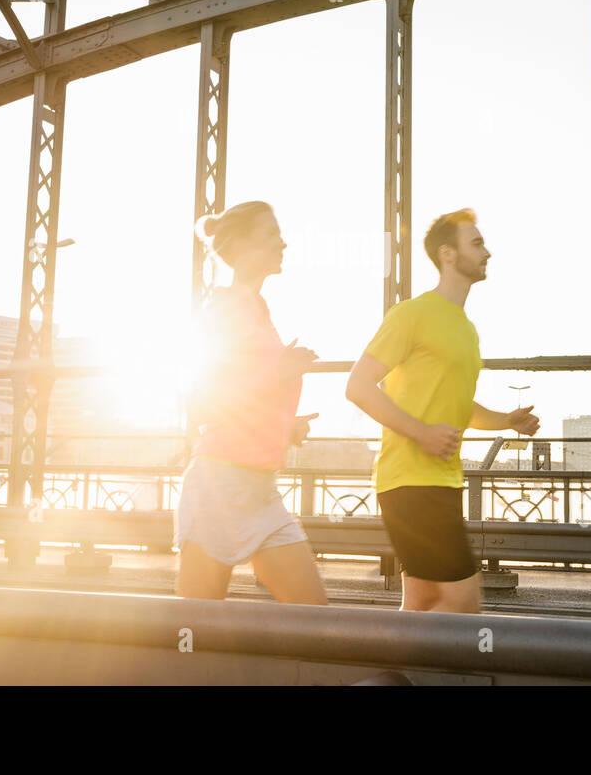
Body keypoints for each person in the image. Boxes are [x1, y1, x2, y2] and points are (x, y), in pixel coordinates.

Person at [345, 209, 540, 613]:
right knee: (462, 605)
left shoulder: (465, 329)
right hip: (410, 481)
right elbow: (358, 386)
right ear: (448, 255)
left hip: (441, 481)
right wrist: (421, 433)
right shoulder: (412, 315)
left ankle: (392, 673)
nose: (487, 252)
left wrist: (506, 421)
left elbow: (457, 406)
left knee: (423, 603)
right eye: (477, 243)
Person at [175, 201, 328, 605]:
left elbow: (242, 398)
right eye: (271, 234)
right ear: (242, 246)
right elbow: (202, 400)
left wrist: (285, 424)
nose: (283, 242)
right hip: (218, 487)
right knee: (195, 628)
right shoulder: (225, 306)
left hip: (260, 489)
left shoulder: (257, 307)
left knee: (314, 614)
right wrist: (280, 372)